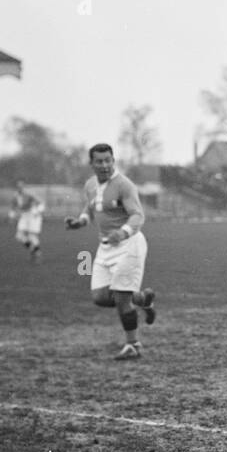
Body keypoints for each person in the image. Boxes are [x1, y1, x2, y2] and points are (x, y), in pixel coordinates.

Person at [64, 144, 156, 360]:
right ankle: (143, 300)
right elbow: (91, 206)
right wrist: (81, 221)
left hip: (129, 244)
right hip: (105, 247)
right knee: (100, 297)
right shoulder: (90, 185)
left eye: (108, 160)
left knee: (122, 298)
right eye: (99, 161)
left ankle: (133, 345)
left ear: (114, 161)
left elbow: (137, 215)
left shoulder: (124, 185)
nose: (104, 165)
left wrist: (122, 232)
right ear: (92, 164)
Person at [9, 180, 45, 261]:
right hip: (24, 216)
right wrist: (11, 216)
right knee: (19, 236)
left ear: (24, 187)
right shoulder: (15, 196)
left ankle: (38, 253)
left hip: (33, 215)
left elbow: (41, 202)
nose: (20, 188)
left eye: (21, 187)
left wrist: (38, 211)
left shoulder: (29, 194)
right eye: (18, 187)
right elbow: (13, 207)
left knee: (32, 235)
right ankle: (33, 249)